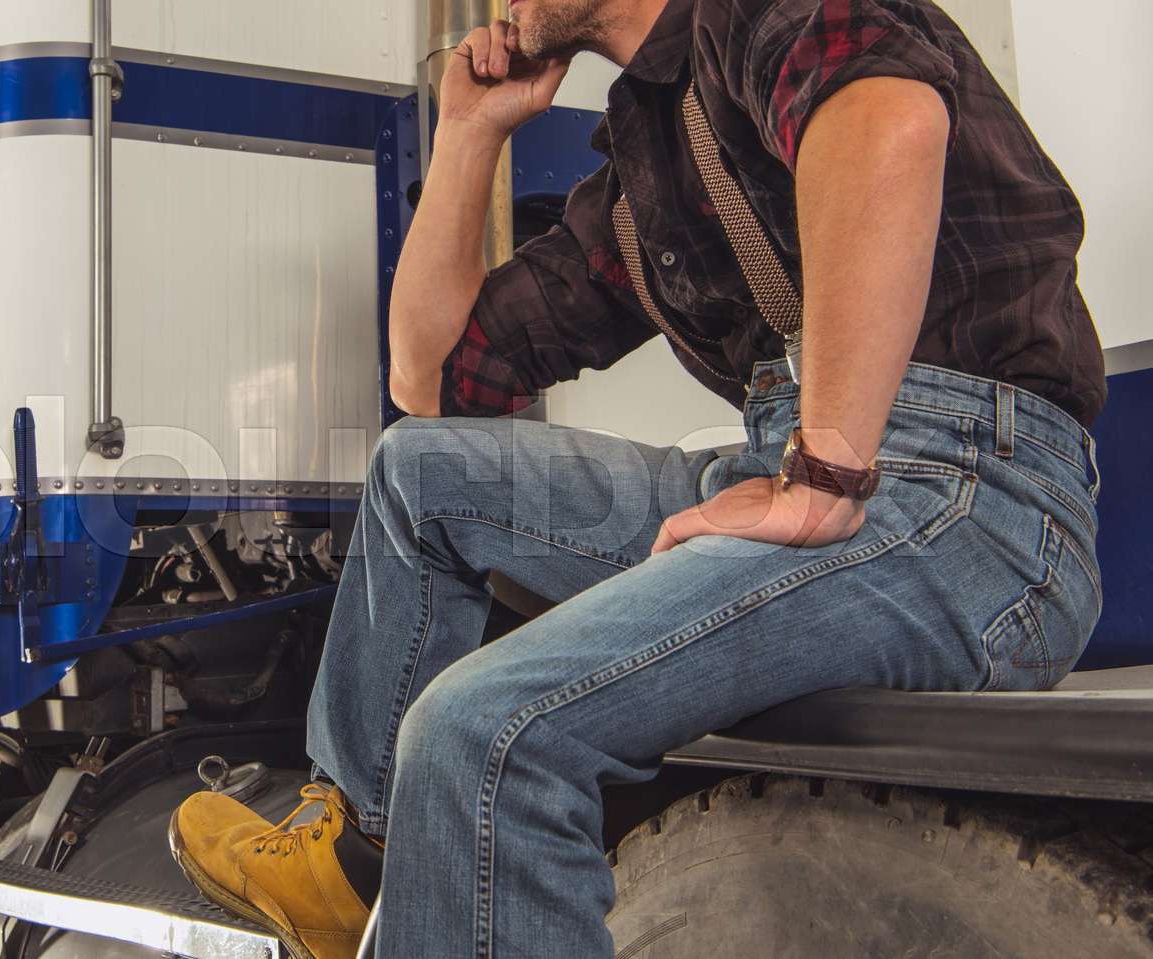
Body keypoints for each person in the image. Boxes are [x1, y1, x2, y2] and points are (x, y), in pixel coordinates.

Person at [168, 0, 1107, 955]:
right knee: (422, 473)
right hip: (801, 463)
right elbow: (430, 380)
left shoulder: (763, 13)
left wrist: (822, 466)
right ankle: (359, 867)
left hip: (971, 499)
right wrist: (466, 134)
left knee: (482, 731)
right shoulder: (648, 170)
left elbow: (886, 121)